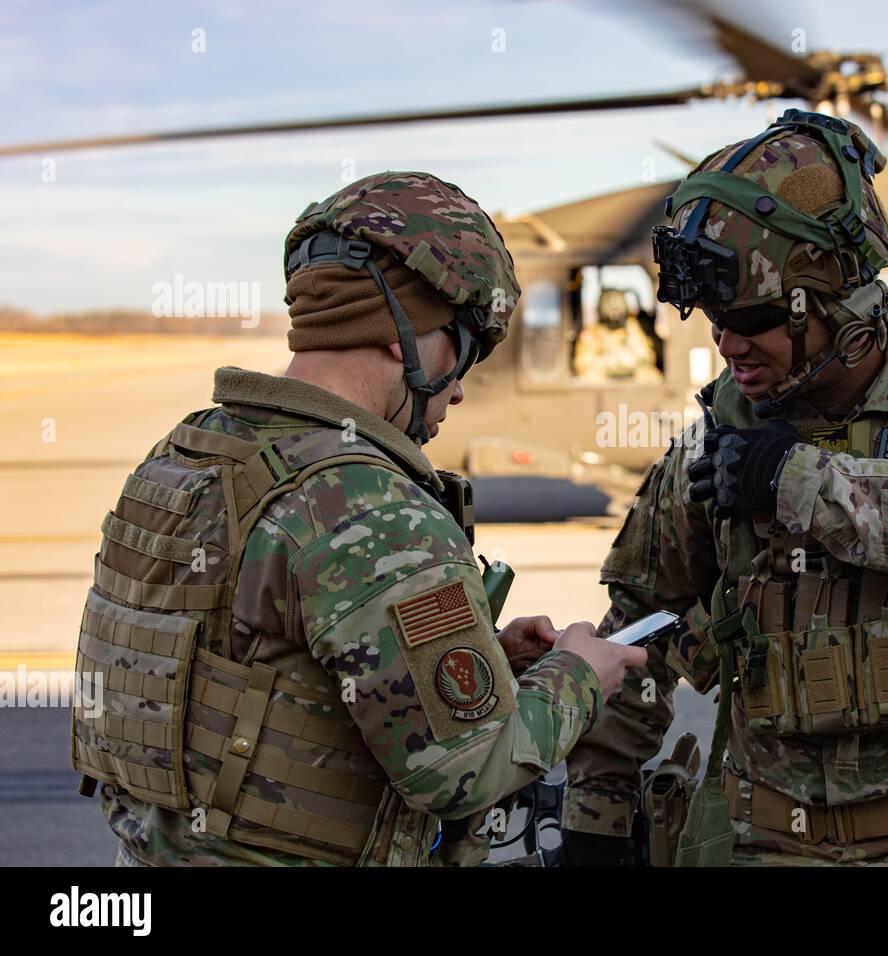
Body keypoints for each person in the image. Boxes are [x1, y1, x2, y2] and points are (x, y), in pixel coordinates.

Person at [557, 111, 888, 867]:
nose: (727, 343)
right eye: (714, 319)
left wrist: (792, 479)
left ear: (829, 306)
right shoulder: (720, 431)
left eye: (753, 319)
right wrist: (597, 820)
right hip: (763, 835)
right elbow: (640, 627)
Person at [70, 171, 645, 867]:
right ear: (407, 336)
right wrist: (579, 675)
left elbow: (250, 656)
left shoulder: (182, 458)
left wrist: (483, 651)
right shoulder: (367, 507)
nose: (460, 388)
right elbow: (470, 771)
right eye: (462, 348)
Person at [573, 287, 661, 382]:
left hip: (634, 380)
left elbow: (646, 356)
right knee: (590, 378)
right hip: (602, 384)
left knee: (650, 376)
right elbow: (582, 362)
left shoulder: (634, 327)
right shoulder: (592, 332)